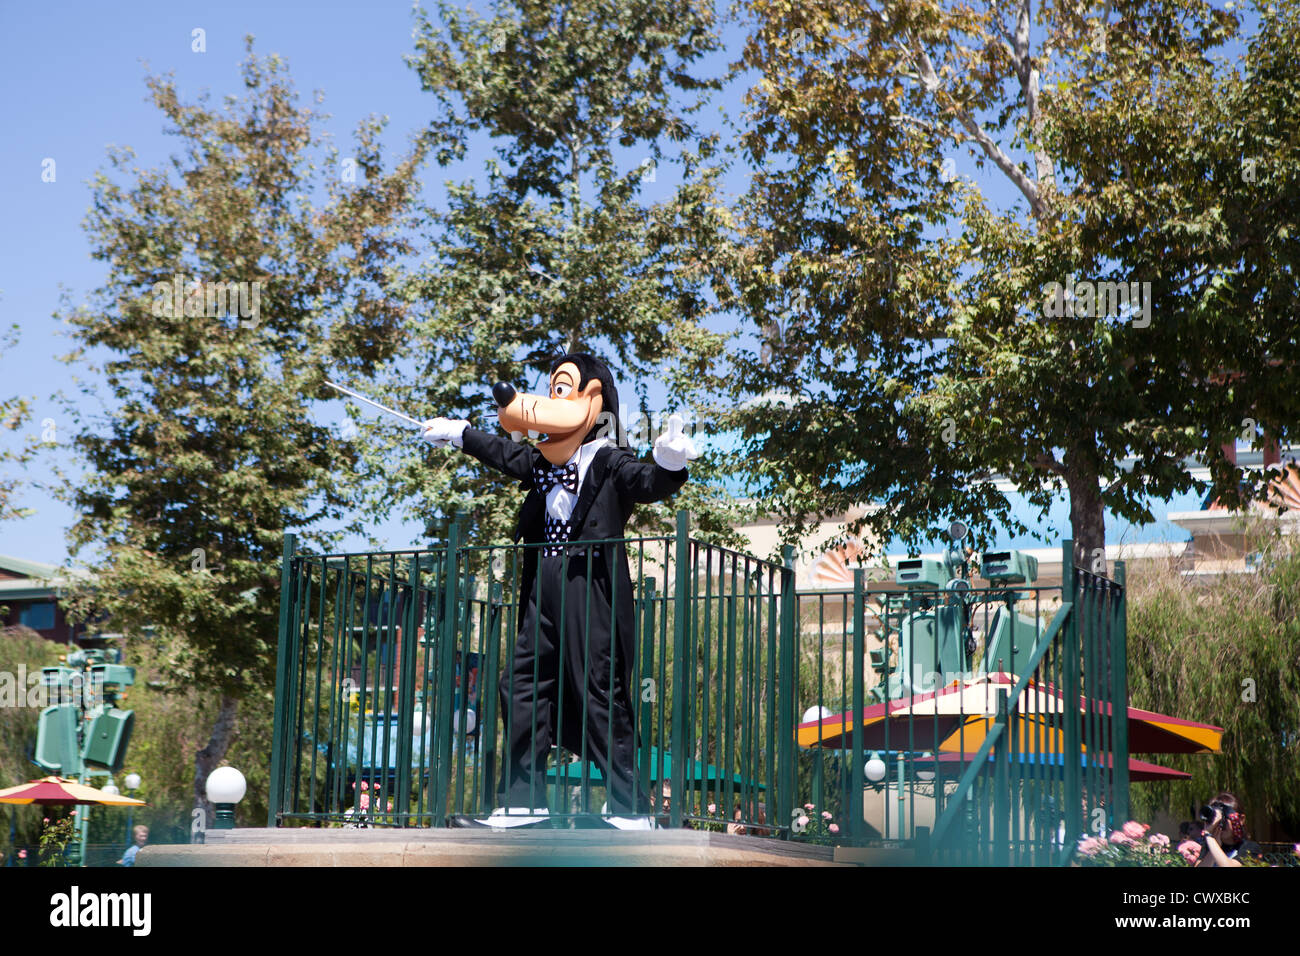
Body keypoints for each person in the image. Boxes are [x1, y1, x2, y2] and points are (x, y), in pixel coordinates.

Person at [426, 353, 698, 830]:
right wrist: (460, 433)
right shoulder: (541, 461)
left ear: (594, 399)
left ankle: (630, 808)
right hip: (542, 583)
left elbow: (646, 481)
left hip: (589, 584)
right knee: (521, 684)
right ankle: (522, 802)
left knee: (598, 687)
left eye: (565, 388)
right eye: (553, 389)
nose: (555, 400)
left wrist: (669, 462)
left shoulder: (608, 460)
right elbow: (503, 452)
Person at [1194, 792, 1260, 867]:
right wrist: (1213, 843)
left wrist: (1209, 835)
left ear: (1241, 819)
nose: (1219, 825)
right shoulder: (1209, 846)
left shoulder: (1250, 848)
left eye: (1224, 819)